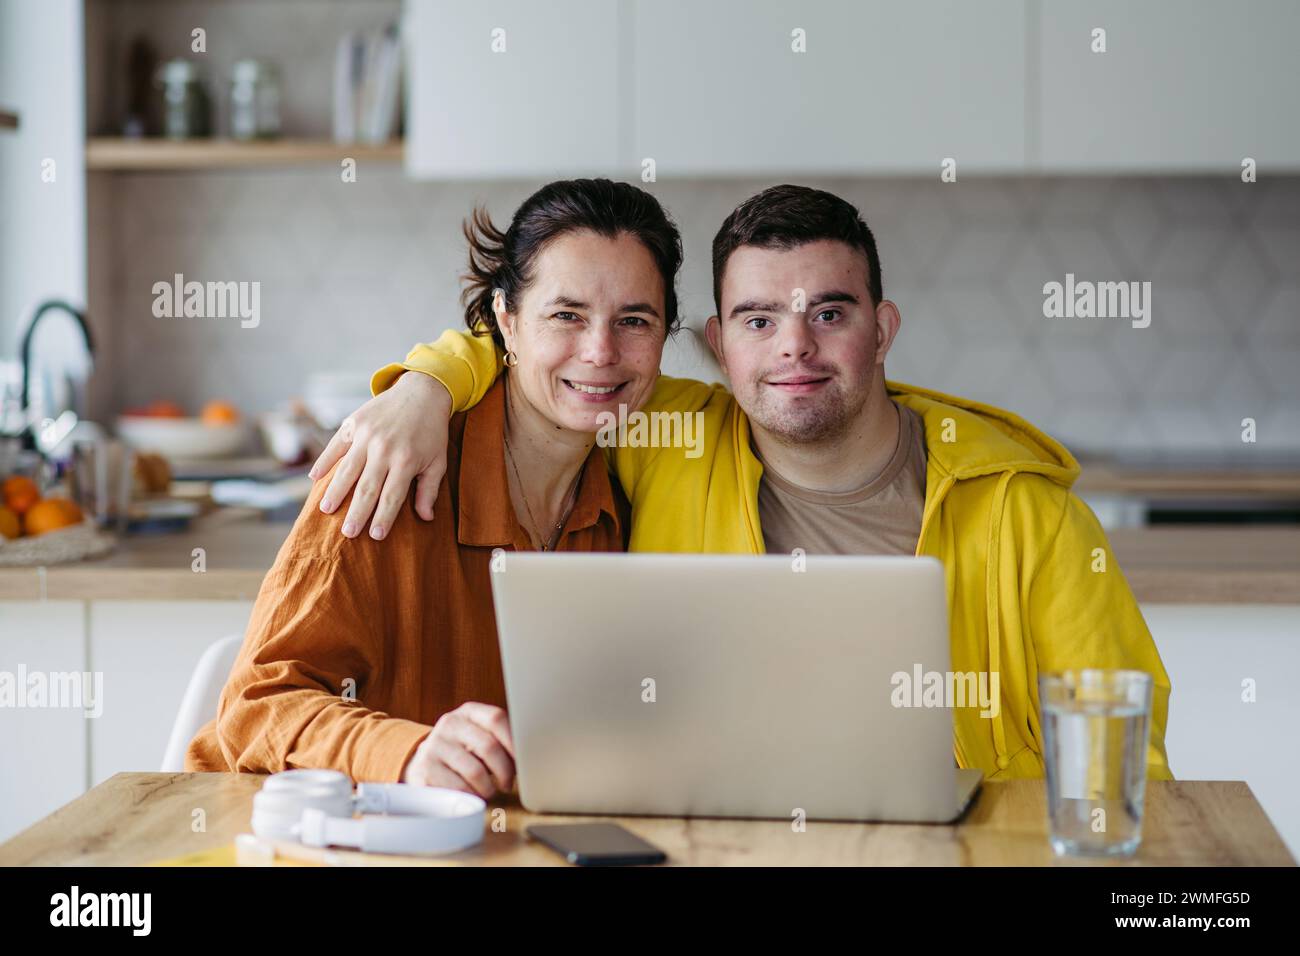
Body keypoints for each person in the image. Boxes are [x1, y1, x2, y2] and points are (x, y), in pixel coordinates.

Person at [312, 184, 1175, 783]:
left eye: (829, 313)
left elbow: (1128, 766)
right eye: (761, 320)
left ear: (883, 330)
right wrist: (423, 388)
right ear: (721, 345)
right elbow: (553, 357)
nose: (794, 347)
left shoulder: (1032, 518)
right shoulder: (664, 433)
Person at [184, 179, 683, 798]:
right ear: (506, 320)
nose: (601, 351)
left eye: (634, 320)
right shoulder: (392, 471)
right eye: (566, 315)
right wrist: (410, 751)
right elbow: (255, 708)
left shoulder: (637, 488)